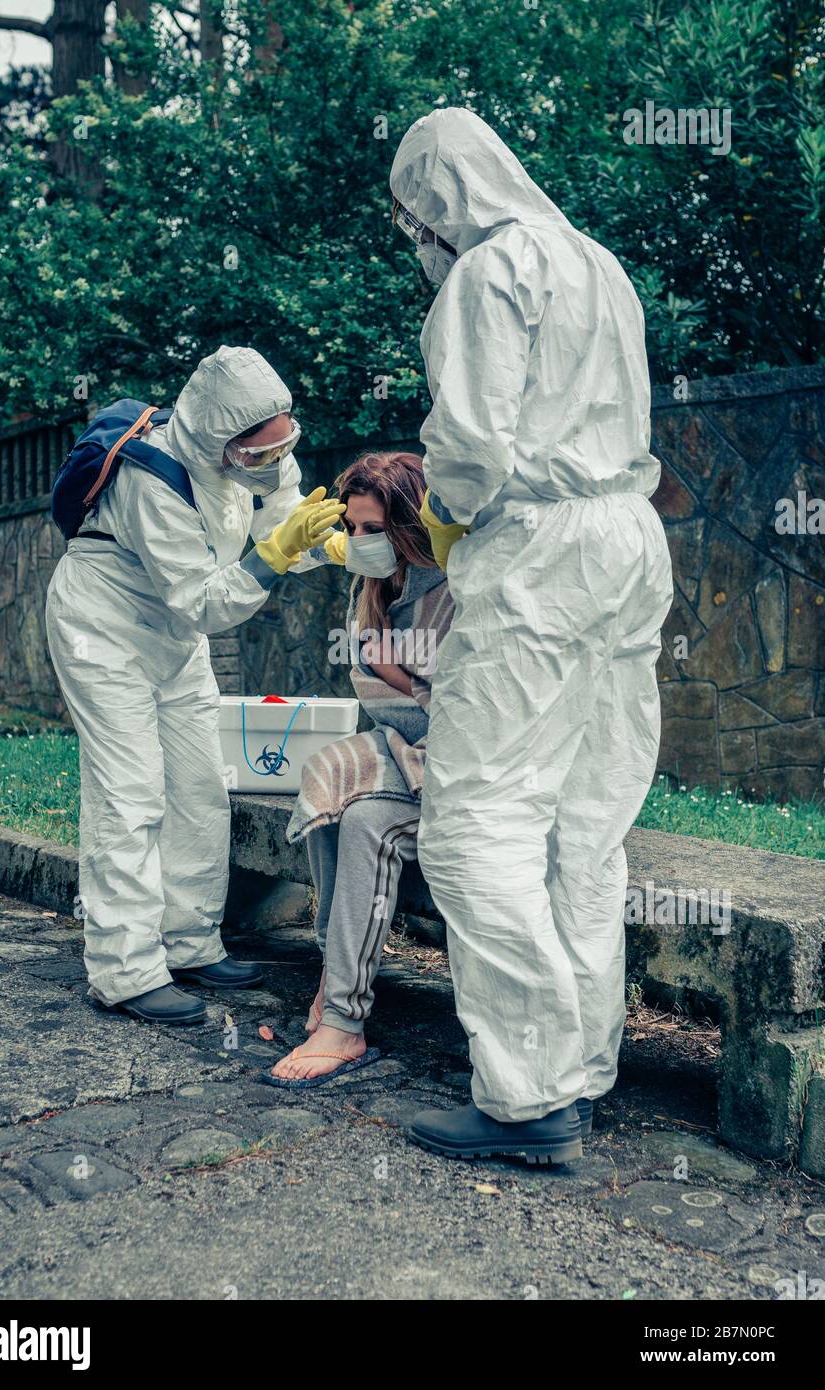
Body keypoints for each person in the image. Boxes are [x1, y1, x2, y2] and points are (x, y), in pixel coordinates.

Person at [389, 109, 674, 1163]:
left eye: (413, 216)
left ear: (436, 198)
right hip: (630, 538)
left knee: (474, 827)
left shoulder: (487, 273)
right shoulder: (597, 262)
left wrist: (451, 531)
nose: (416, 236)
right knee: (585, 823)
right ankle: (583, 1066)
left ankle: (527, 1096)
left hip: (541, 545)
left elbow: (468, 445)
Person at [45, 346, 344, 1025]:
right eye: (257, 454)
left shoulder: (262, 445)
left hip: (173, 636)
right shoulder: (153, 475)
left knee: (199, 785)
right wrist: (272, 558)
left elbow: (282, 517)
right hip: (103, 626)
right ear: (218, 440)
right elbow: (206, 603)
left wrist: (330, 546)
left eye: (281, 448)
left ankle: (188, 939)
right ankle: (124, 970)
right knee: (131, 791)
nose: (271, 463)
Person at [264, 451, 454, 1088]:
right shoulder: (378, 583)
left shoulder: (459, 592)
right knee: (328, 777)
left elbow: (472, 722)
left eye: (377, 530)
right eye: (358, 529)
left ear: (414, 526)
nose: (363, 542)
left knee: (368, 818)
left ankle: (344, 1021)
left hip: (460, 770)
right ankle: (333, 970)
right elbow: (297, 554)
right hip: (404, 750)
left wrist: (397, 674)